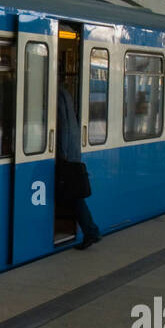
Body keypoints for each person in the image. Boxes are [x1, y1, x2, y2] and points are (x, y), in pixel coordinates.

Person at [56, 84, 101, 249]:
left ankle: (91, 232)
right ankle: (91, 232)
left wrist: (62, 153)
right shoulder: (65, 92)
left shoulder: (57, 94)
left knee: (74, 197)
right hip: (72, 152)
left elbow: (63, 127)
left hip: (68, 155)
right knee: (75, 197)